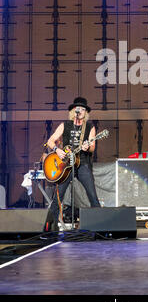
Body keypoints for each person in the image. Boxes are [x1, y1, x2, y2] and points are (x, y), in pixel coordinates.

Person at [46, 97, 100, 228]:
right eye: (78, 108)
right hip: (65, 166)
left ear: (86, 112)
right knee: (58, 196)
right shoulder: (65, 125)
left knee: (92, 194)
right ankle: (49, 227)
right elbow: (50, 141)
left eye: (83, 109)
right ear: (73, 111)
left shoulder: (89, 126)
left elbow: (92, 147)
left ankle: (100, 224)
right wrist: (57, 151)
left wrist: (88, 146)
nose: (80, 111)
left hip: (83, 164)